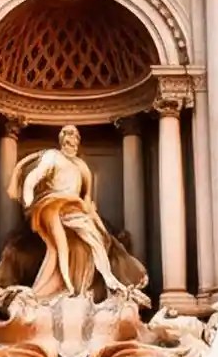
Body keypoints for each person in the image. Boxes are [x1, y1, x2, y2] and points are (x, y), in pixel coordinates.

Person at [7, 125, 143, 301]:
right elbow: (35, 176)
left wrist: (99, 226)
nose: (73, 142)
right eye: (69, 138)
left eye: (76, 139)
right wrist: (28, 197)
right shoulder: (53, 156)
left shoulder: (81, 166)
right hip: (52, 204)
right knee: (59, 246)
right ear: (62, 140)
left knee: (96, 241)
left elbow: (86, 200)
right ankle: (66, 287)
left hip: (75, 208)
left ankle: (107, 279)